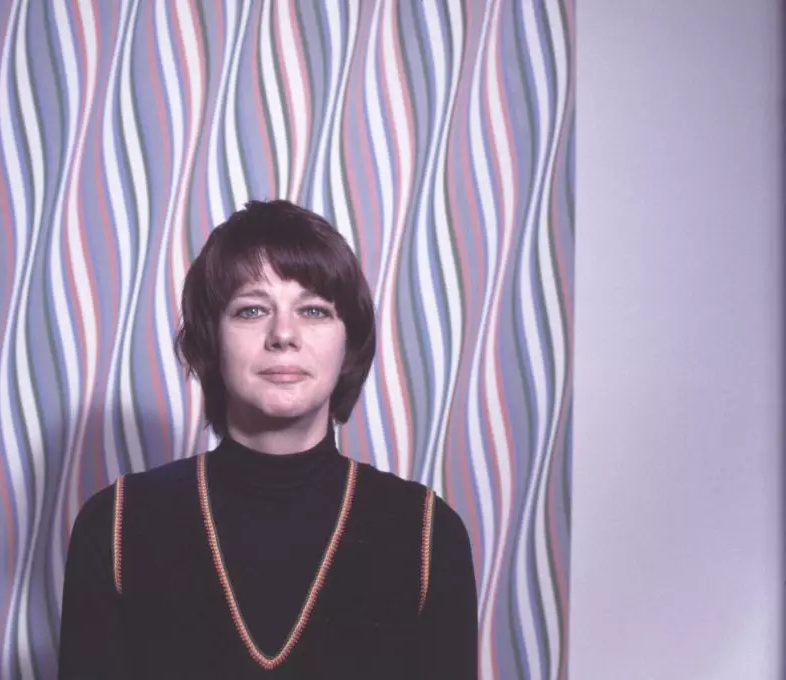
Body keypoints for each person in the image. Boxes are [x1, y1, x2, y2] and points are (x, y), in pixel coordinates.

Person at [58, 200, 478, 678]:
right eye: (252, 309)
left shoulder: (426, 535)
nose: (283, 334)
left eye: (315, 310)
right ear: (211, 339)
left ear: (349, 344)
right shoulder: (114, 526)